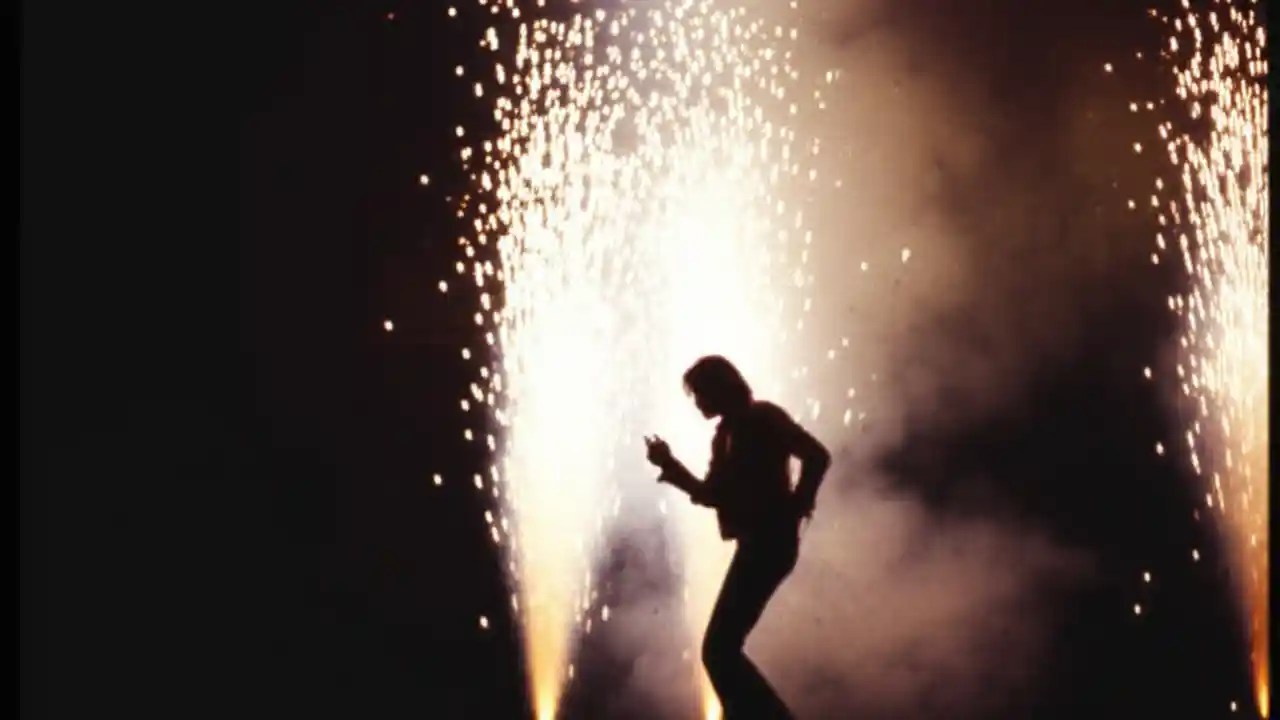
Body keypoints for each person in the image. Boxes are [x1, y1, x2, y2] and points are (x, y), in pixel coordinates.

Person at [644, 355, 830, 720]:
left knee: (719, 649)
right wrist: (669, 464)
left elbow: (817, 455)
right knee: (722, 648)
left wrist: (797, 505)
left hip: (768, 544)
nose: (697, 403)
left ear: (720, 388)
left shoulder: (762, 417)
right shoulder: (726, 434)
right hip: (758, 544)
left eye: (700, 394)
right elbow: (712, 494)